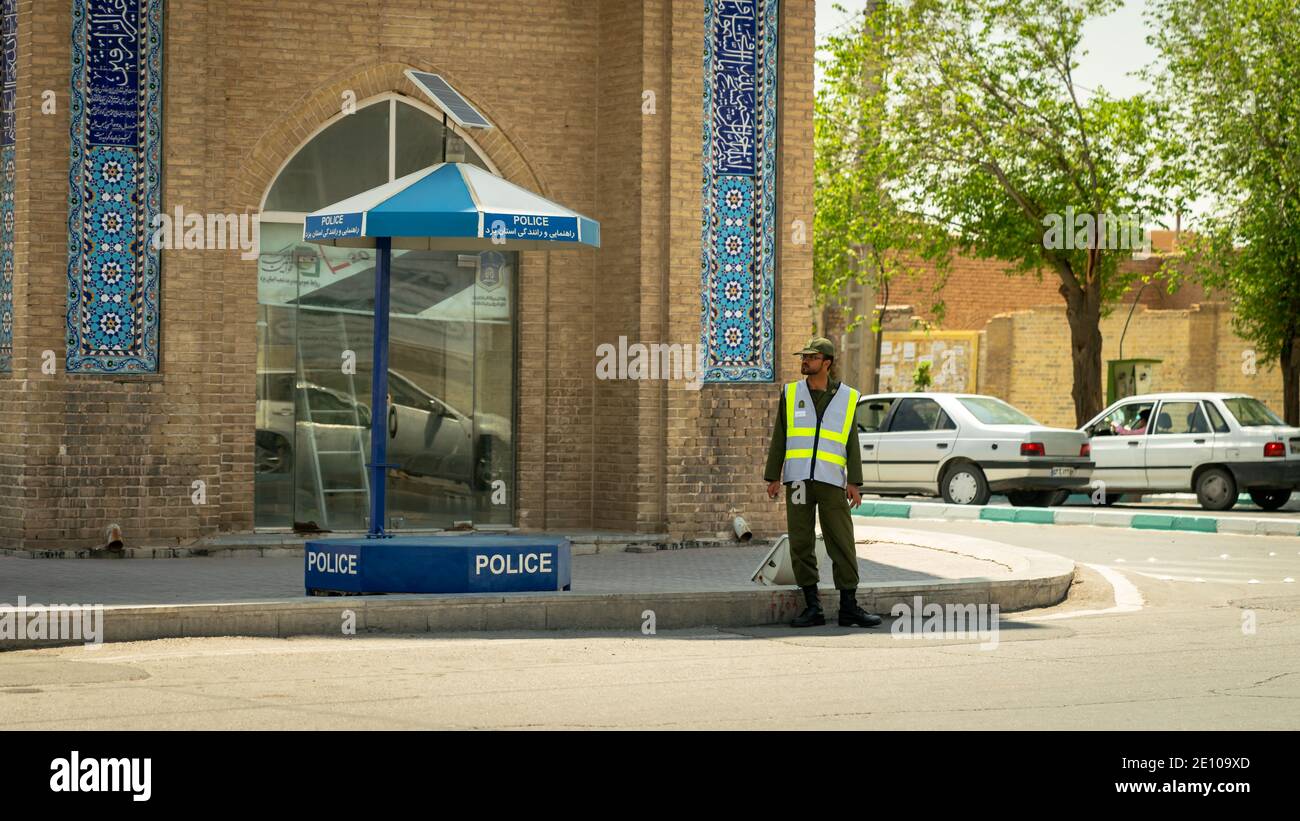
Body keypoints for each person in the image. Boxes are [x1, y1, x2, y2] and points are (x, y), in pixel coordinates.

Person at [764, 337, 883, 628]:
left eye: (811, 357)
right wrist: (773, 476)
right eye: (803, 357)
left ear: (826, 363)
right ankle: (812, 607)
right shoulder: (791, 394)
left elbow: (851, 441)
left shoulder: (847, 397)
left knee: (841, 541)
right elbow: (780, 435)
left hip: (831, 480)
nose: (804, 361)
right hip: (799, 480)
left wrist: (854, 481)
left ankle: (849, 607)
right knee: (801, 541)